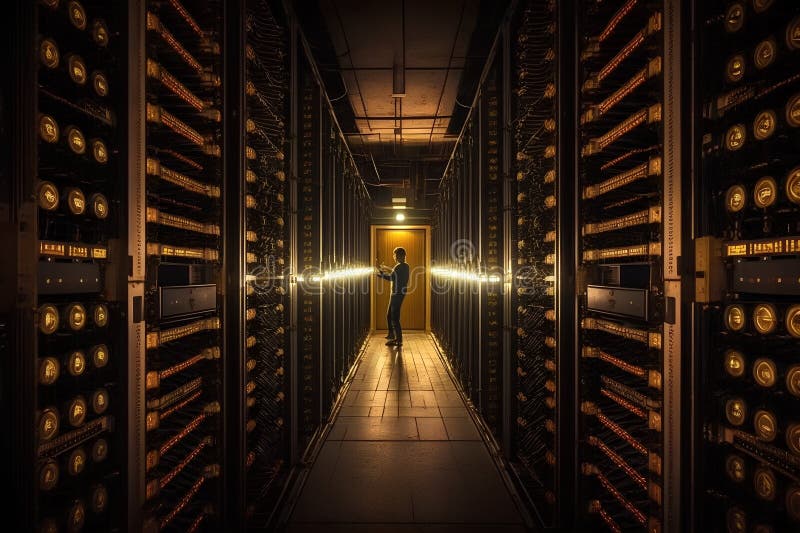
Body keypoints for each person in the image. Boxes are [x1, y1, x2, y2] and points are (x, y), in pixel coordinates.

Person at [376, 247, 410, 346]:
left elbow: (391, 277)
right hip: (398, 293)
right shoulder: (405, 266)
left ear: (399, 255)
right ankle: (392, 334)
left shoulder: (399, 267)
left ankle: (398, 340)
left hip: (397, 294)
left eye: (394, 255)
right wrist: (385, 268)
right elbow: (394, 274)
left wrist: (380, 274)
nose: (394, 257)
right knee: (389, 315)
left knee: (394, 317)